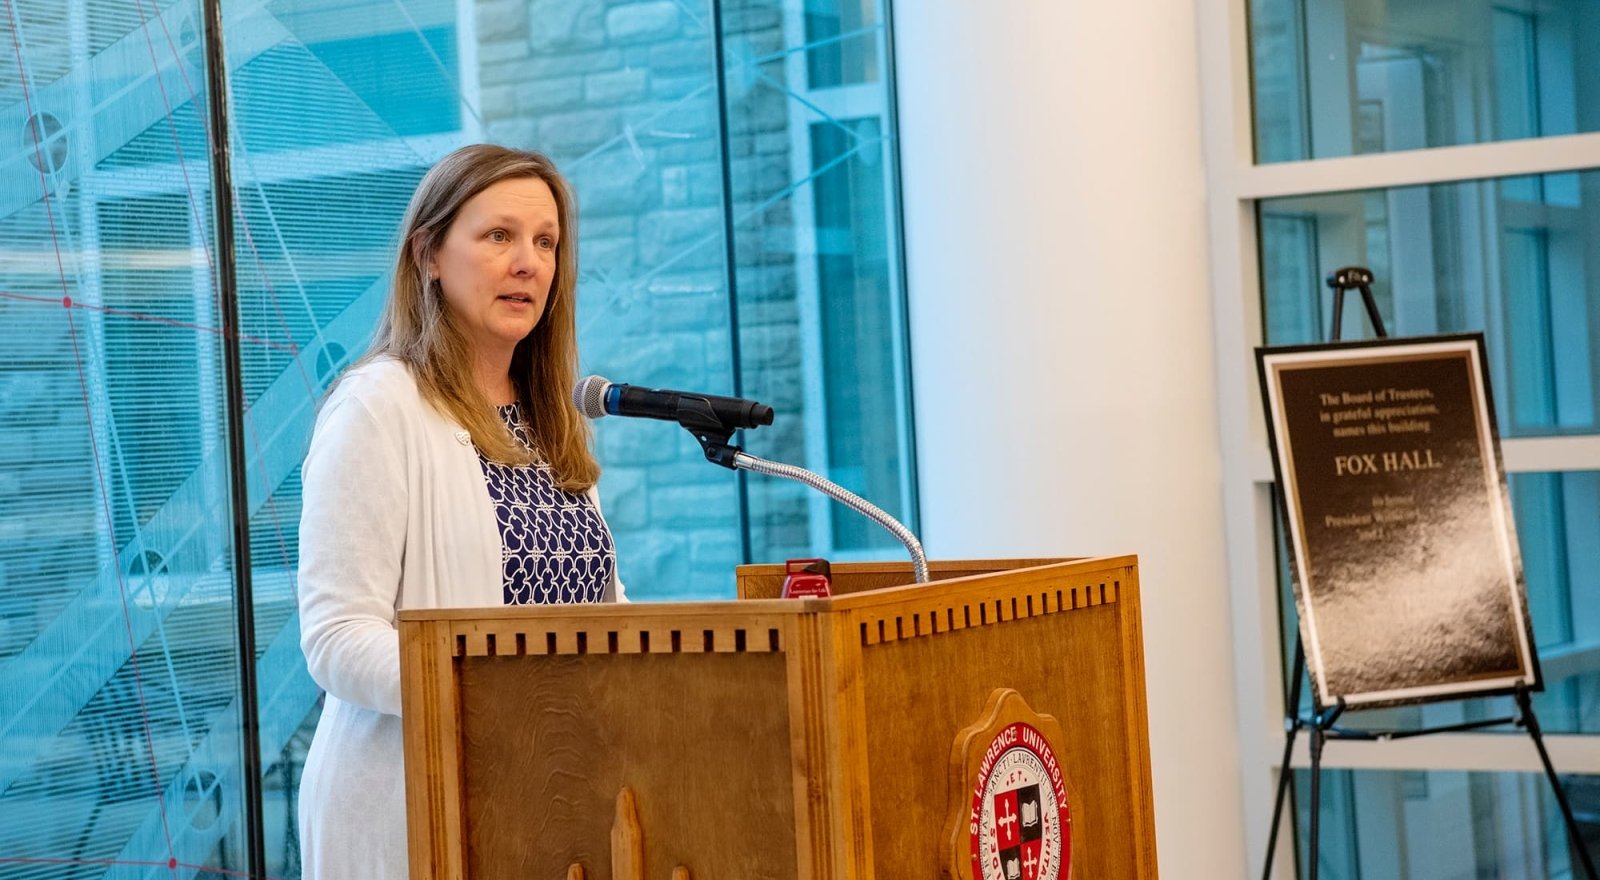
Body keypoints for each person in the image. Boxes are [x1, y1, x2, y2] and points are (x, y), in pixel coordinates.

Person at [294, 144, 624, 878]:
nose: (528, 262)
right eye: (498, 235)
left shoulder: (552, 419)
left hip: (551, 798)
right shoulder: (378, 405)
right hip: (416, 809)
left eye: (545, 242)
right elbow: (338, 638)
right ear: (429, 255)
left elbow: (599, 608)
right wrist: (502, 688)